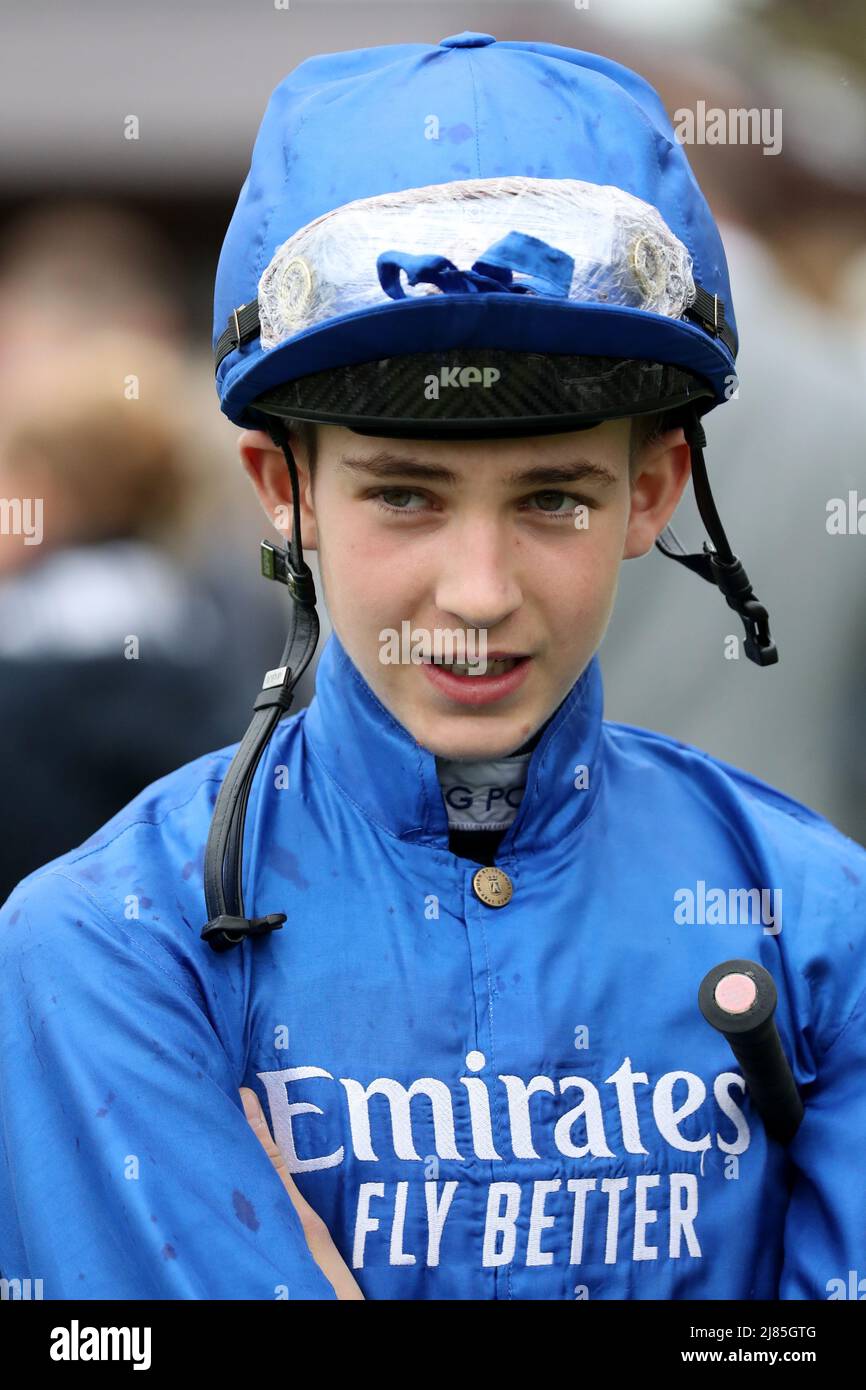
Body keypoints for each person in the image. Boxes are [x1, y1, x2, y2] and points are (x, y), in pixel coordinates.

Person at [1, 32, 864, 1302]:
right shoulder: (95, 950)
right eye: (403, 494)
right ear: (280, 489)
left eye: (553, 498)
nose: (475, 592)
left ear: (651, 490)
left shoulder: (824, 926)